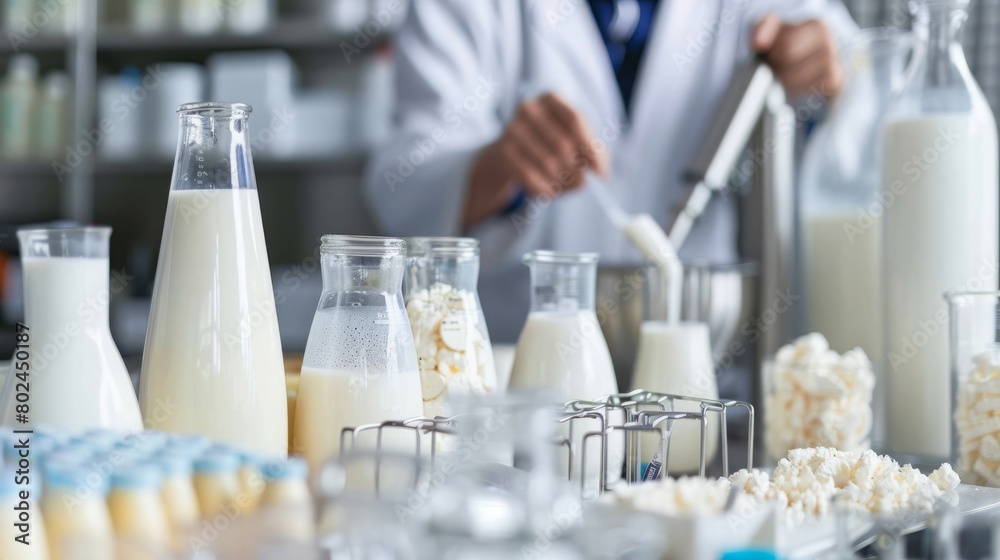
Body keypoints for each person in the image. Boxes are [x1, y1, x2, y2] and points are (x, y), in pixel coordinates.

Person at [365, 0, 856, 342]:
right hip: (521, 379)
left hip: (706, 365)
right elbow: (403, 188)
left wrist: (829, 72)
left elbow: (871, 93)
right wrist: (499, 165)